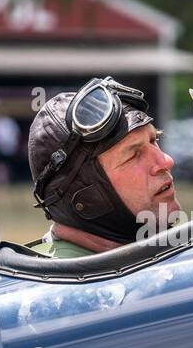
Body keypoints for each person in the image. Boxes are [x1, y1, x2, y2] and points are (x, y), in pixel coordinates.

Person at [25, 77, 180, 258]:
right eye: (133, 154)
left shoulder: (132, 267)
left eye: (154, 140)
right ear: (88, 197)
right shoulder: (67, 284)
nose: (166, 161)